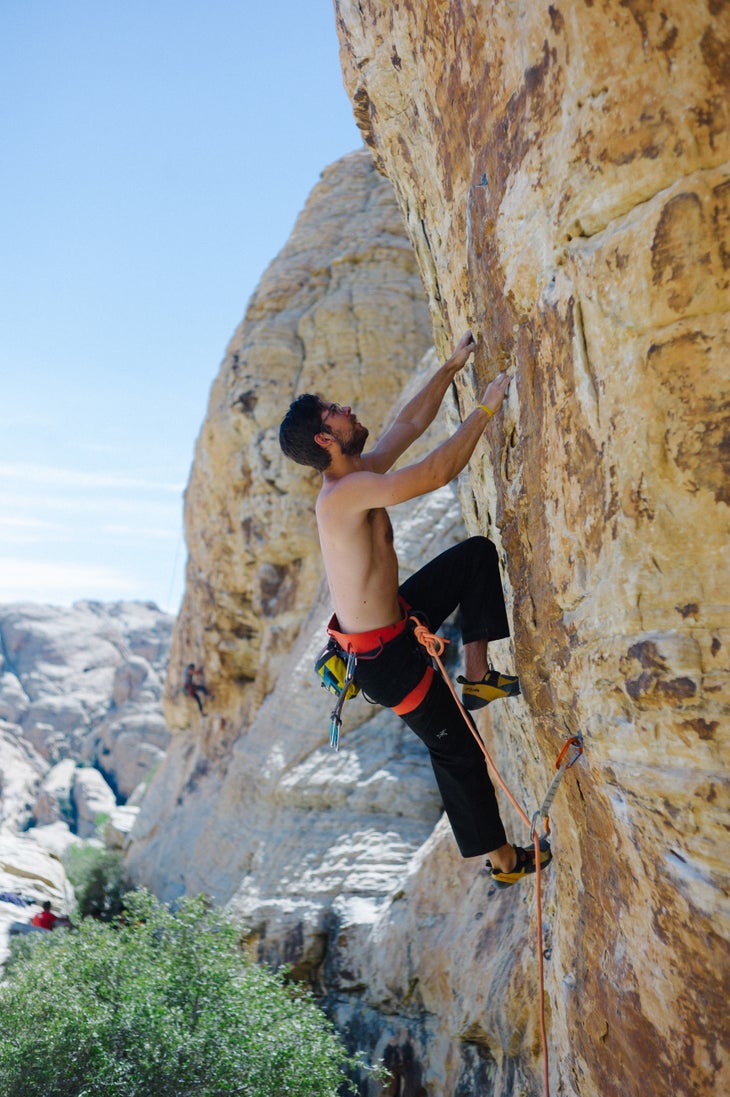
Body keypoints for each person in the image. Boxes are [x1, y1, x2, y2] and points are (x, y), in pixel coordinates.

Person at [279, 331, 551, 888]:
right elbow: (433, 474)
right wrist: (485, 409)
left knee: (475, 557)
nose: (347, 409)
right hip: (386, 661)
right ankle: (504, 864)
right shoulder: (341, 497)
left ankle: (477, 678)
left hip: (399, 620)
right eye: (335, 411)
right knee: (457, 753)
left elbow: (407, 424)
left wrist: (451, 367)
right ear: (325, 437)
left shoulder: (356, 475)